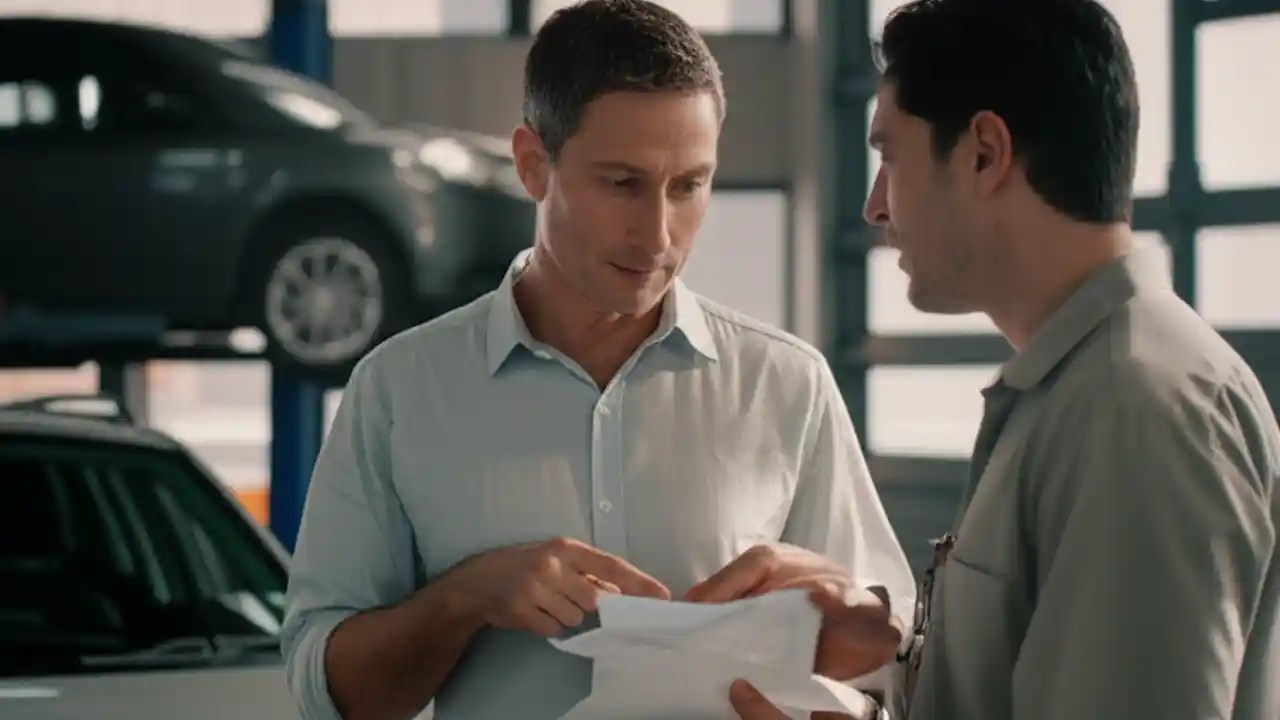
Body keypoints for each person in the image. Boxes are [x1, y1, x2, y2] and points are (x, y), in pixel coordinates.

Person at [280, 2, 915, 719]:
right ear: (531, 164)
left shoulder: (786, 386)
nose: (657, 235)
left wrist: (857, 678)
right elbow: (328, 692)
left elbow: (885, 674)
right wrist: (465, 598)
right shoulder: (399, 392)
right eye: (622, 183)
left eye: (689, 186)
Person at [730, 0, 1280, 719]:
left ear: (984, 152)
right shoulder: (1078, 389)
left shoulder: (1138, 409)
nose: (873, 205)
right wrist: (891, 649)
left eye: (889, 157)